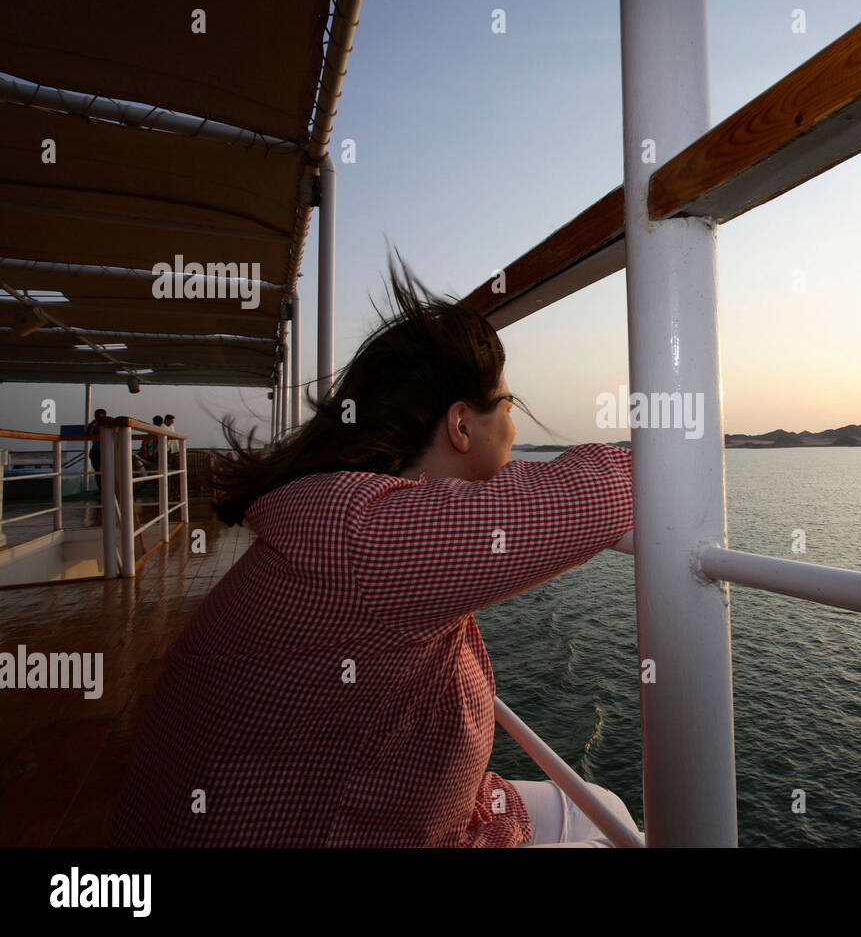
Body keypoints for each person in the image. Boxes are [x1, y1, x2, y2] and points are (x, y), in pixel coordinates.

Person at [108, 254, 642, 848]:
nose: (515, 429)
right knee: (605, 829)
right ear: (461, 425)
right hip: (311, 827)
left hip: (301, 805)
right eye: (508, 407)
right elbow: (603, 491)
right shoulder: (369, 538)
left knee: (605, 808)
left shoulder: (342, 512)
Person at [85, 408, 108, 493]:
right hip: (96, 451)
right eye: (96, 416)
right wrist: (92, 425)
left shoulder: (109, 424)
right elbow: (87, 435)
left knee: (108, 469)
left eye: (99, 416)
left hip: (107, 450)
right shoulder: (93, 425)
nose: (97, 418)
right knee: (98, 471)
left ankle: (110, 487)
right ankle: (101, 489)